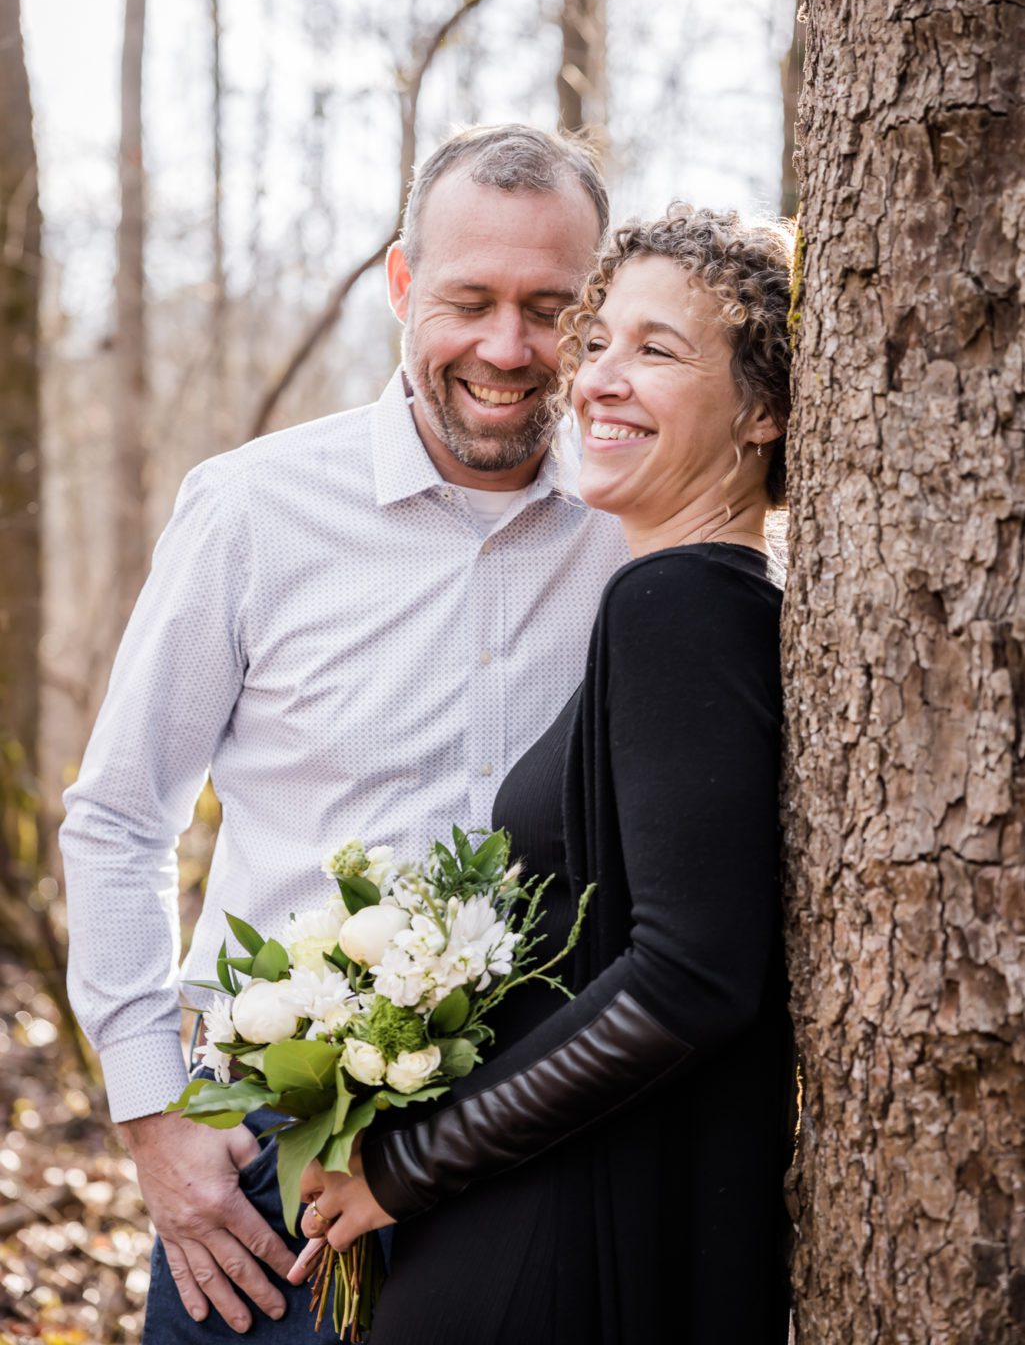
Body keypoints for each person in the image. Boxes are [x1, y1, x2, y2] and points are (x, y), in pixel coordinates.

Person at [59, 123, 629, 1342]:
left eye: (551, 306)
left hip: (542, 1144)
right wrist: (157, 1118)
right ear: (400, 285)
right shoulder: (253, 508)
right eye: (468, 300)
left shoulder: (642, 531)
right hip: (268, 1155)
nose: (507, 347)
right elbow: (117, 818)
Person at [295, 204, 797, 1343]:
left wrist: (407, 1166)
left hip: (566, 1242)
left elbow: (687, 977)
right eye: (601, 341)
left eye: (657, 351)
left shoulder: (676, 605)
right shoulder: (696, 609)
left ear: (762, 410)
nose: (599, 381)